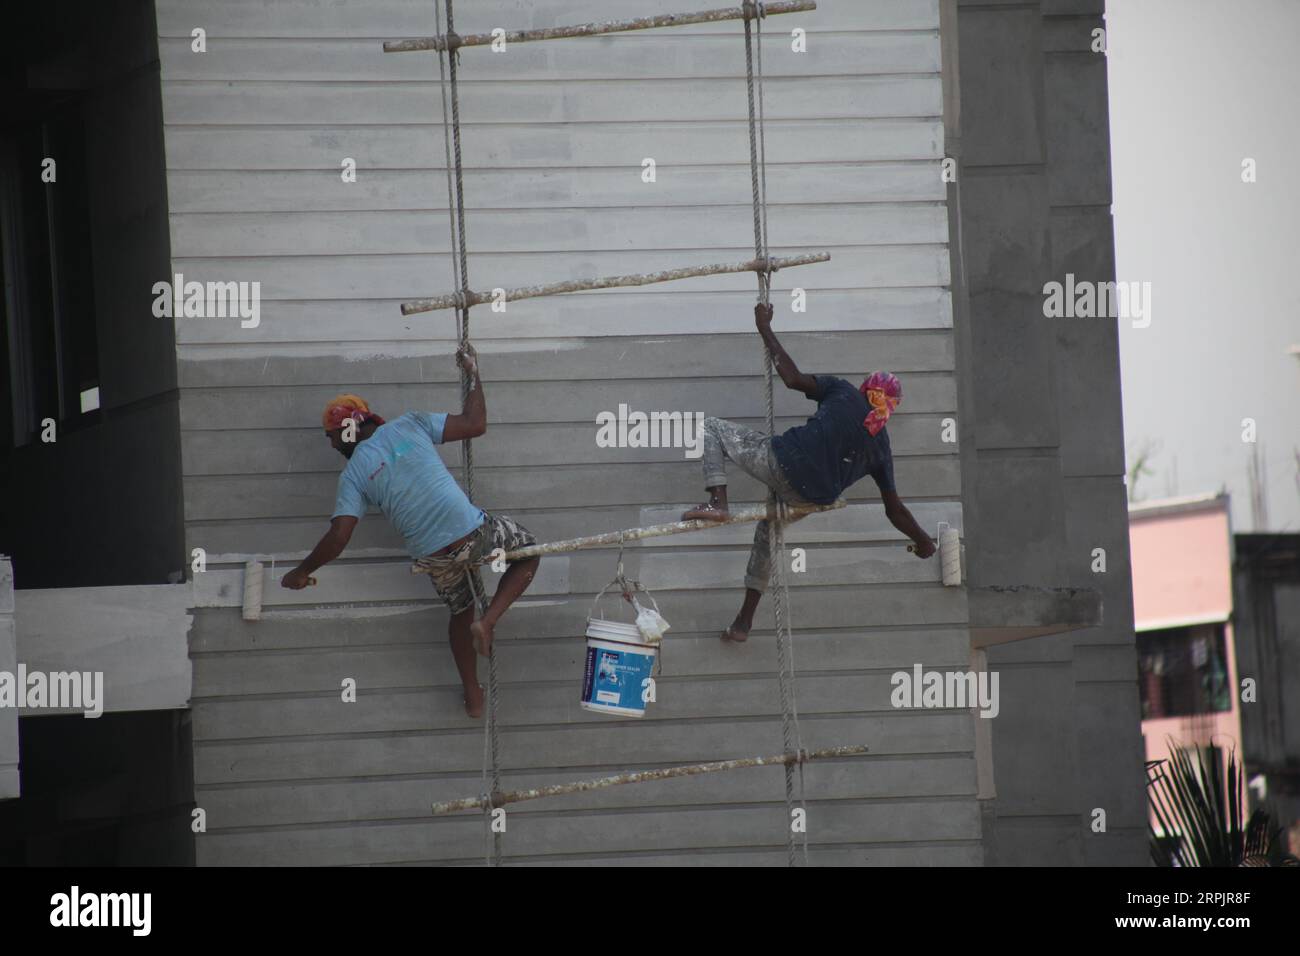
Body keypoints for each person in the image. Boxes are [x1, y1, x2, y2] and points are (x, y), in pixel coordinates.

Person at [280, 346, 539, 718]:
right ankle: (491, 621)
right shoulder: (410, 424)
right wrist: (474, 372)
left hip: (432, 557)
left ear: (347, 429)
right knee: (528, 551)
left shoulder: (353, 475)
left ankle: (473, 694)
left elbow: (339, 537)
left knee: (460, 610)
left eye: (331, 438)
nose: (333, 445)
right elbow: (476, 423)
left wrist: (302, 571)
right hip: (471, 534)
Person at [682, 303, 937, 641]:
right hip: (810, 499)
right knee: (766, 535)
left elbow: (791, 378)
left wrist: (765, 329)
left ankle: (718, 501)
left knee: (711, 428)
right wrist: (924, 543)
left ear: (866, 389)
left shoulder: (844, 391)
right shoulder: (881, 445)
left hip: (783, 463)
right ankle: (743, 621)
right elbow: (895, 510)